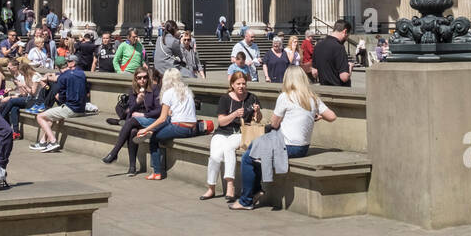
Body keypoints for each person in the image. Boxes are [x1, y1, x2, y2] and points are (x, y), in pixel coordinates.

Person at [232, 66, 337, 210]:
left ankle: (246, 200)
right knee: (255, 149)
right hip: (303, 148)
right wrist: (315, 117)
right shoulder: (312, 97)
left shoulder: (285, 96)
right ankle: (255, 191)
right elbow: (332, 117)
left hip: (287, 145)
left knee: (247, 157)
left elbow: (274, 124)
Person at [201, 71, 262, 202]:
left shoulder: (252, 98)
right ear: (232, 84)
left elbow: (257, 120)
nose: (241, 86)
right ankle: (211, 187)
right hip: (222, 132)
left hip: (241, 133)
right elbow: (221, 121)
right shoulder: (225, 98)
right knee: (215, 156)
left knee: (229, 148)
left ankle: (230, 185)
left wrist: (257, 111)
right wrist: (234, 114)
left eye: (243, 84)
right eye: (238, 84)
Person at [135, 68, 198, 180]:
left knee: (154, 139)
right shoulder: (187, 90)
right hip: (192, 128)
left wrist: (145, 129)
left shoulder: (168, 93)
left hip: (180, 128)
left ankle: (157, 172)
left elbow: (162, 119)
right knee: (169, 118)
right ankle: (152, 130)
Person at [102, 67, 158, 174]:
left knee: (131, 122)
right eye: (139, 78)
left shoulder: (154, 89)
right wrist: (137, 101)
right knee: (132, 131)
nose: (142, 80)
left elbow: (158, 111)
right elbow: (130, 110)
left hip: (149, 119)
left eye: (145, 77)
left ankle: (114, 152)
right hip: (136, 120)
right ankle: (132, 167)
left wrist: (144, 114)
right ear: (135, 79)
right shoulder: (133, 91)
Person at [31, 52, 89, 152]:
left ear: (57, 67)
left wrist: (47, 86)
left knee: (40, 116)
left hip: (71, 109)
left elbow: (60, 99)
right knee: (50, 118)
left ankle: (53, 141)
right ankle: (42, 142)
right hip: (81, 108)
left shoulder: (63, 78)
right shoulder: (81, 73)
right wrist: (51, 77)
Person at [311, 20, 352, 87]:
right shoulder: (339, 47)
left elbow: (314, 72)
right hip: (339, 90)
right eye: (347, 35)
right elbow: (344, 77)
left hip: (324, 89)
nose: (346, 38)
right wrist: (350, 67)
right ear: (345, 31)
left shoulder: (318, 45)